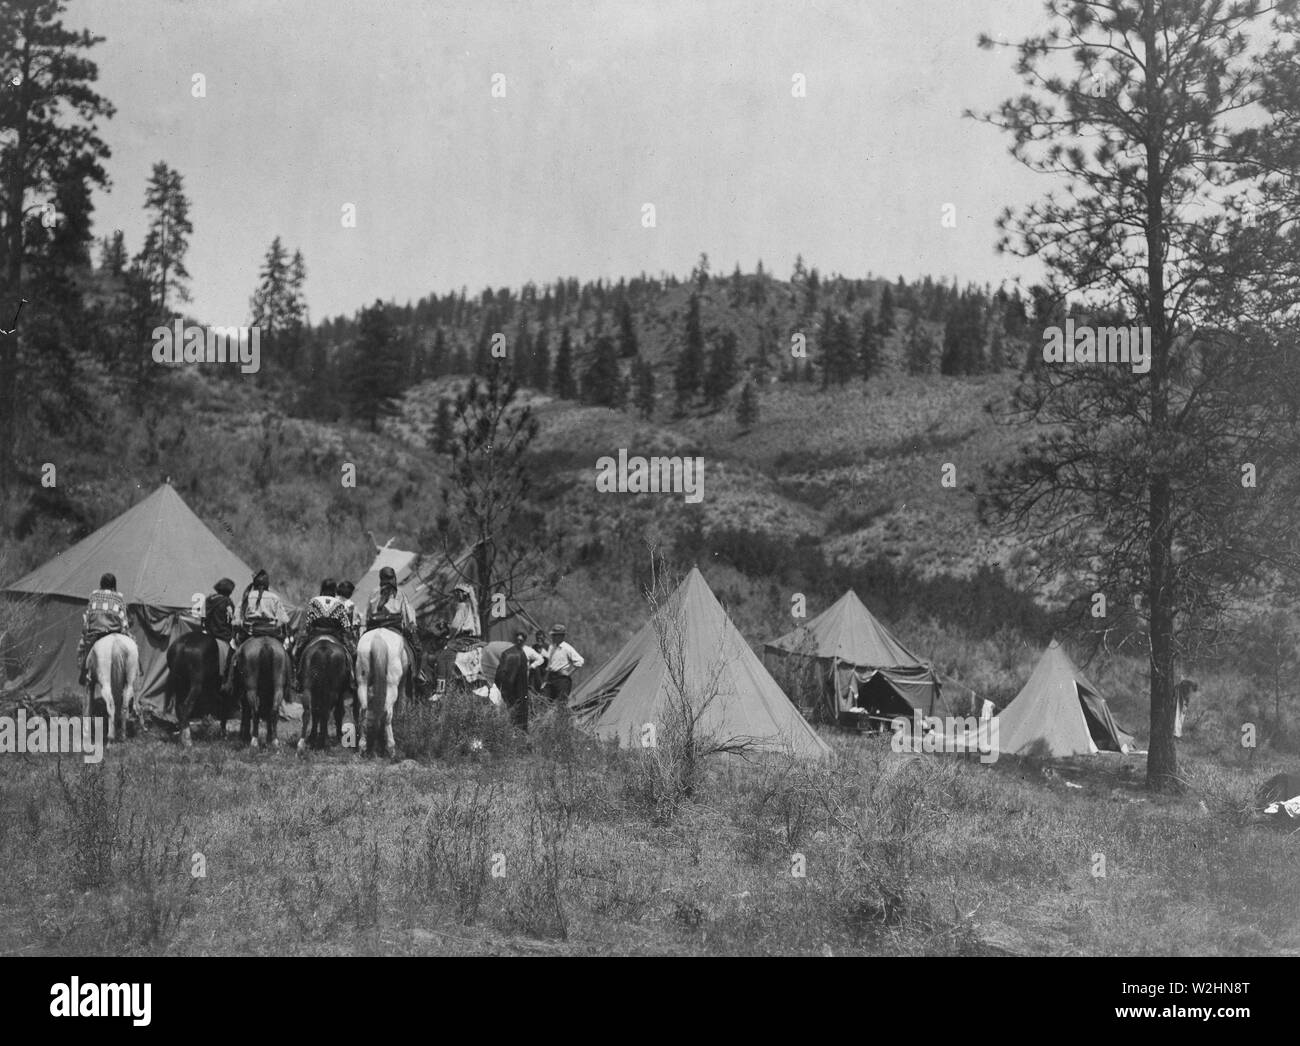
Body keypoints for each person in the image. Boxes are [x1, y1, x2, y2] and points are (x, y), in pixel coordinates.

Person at [225, 569, 290, 694]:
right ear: (267, 585)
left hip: (251, 633)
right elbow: (284, 620)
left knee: (234, 656)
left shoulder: (247, 596)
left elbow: (236, 621)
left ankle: (229, 682)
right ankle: (291, 683)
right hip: (272, 633)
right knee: (287, 657)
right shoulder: (274, 597)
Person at [365, 566, 421, 700]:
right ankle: (417, 675)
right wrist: (412, 626)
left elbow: (367, 615)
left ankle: (358, 678)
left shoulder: (373, 593)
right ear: (394, 578)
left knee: (358, 651)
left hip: (374, 629)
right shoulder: (400, 593)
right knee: (417, 648)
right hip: (394, 628)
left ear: (380, 579)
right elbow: (408, 615)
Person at [292, 579, 354, 694]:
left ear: (322, 589)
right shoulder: (339, 603)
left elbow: (308, 622)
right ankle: (351, 679)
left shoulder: (314, 601)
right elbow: (345, 625)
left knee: (298, 652)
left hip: (316, 633)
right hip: (334, 634)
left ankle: (297, 678)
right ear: (335, 590)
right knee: (351, 654)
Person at [77, 572, 130, 686]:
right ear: (114, 585)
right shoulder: (119, 597)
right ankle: (134, 673)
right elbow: (124, 622)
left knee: (83, 651)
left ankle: (84, 673)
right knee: (132, 647)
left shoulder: (94, 595)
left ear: (101, 584)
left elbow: (88, 618)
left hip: (96, 635)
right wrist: (126, 632)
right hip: (115, 633)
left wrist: (85, 632)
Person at [203, 577, 237, 696]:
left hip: (207, 633)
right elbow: (230, 620)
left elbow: (203, 617)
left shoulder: (209, 599)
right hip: (222, 636)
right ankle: (226, 682)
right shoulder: (228, 603)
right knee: (234, 659)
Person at [543, 623, 584, 708]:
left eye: (555, 635)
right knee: (544, 702)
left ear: (561, 636)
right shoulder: (551, 647)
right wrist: (545, 680)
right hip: (551, 678)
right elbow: (549, 665)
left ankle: (560, 720)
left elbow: (580, 661)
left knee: (561, 704)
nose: (553, 637)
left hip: (562, 680)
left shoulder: (567, 648)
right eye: (552, 635)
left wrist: (569, 673)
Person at [496, 631, 531, 730]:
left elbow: (503, 678)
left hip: (514, 694)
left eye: (521, 640)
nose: (519, 641)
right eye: (518, 639)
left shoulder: (516, 653)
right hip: (517, 695)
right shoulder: (515, 653)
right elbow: (506, 679)